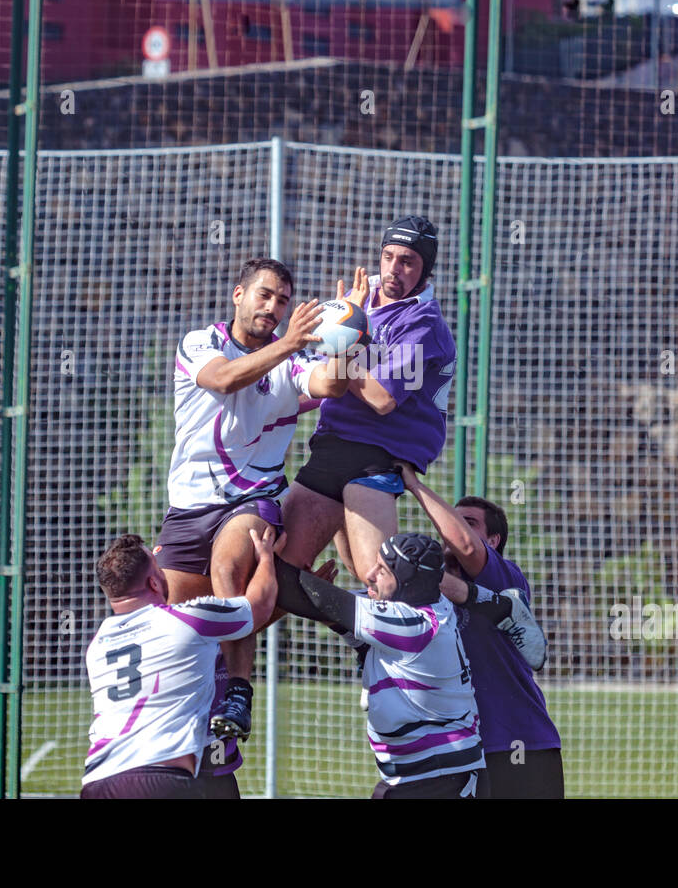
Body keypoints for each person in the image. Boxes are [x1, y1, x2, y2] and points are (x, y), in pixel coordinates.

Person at [156, 258, 364, 742]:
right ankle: (301, 601)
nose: (273, 307)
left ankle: (240, 694)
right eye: (264, 295)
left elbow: (332, 384)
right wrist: (291, 342)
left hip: (254, 498)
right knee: (177, 626)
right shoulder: (200, 343)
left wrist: (351, 327)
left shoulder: (292, 362)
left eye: (283, 301)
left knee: (229, 568)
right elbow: (225, 379)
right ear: (238, 295)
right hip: (189, 507)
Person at [277, 216, 456, 587]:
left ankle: (450, 621)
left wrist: (345, 340)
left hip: (378, 455)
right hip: (331, 446)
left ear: (426, 269)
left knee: (381, 582)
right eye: (388, 256)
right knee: (279, 575)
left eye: (407, 261)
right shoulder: (355, 301)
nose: (394, 269)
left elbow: (382, 397)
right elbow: (325, 380)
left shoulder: (424, 322)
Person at [275, 533, 486, 798]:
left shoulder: (414, 625)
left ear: (407, 582)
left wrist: (260, 550)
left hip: (439, 777)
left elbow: (318, 599)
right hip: (423, 775)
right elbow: (326, 608)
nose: (371, 574)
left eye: (383, 570)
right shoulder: (426, 604)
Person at [397, 463, 562, 797]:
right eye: (452, 521)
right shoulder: (429, 597)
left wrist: (413, 484)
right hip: (459, 751)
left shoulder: (505, 578)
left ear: (493, 540)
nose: (452, 530)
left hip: (518, 742)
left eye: (467, 523)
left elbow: (468, 548)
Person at [81, 529, 277, 798]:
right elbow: (261, 605)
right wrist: (266, 558)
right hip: (161, 778)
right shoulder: (188, 619)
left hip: (98, 780)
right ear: (153, 583)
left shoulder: (97, 646)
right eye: (158, 569)